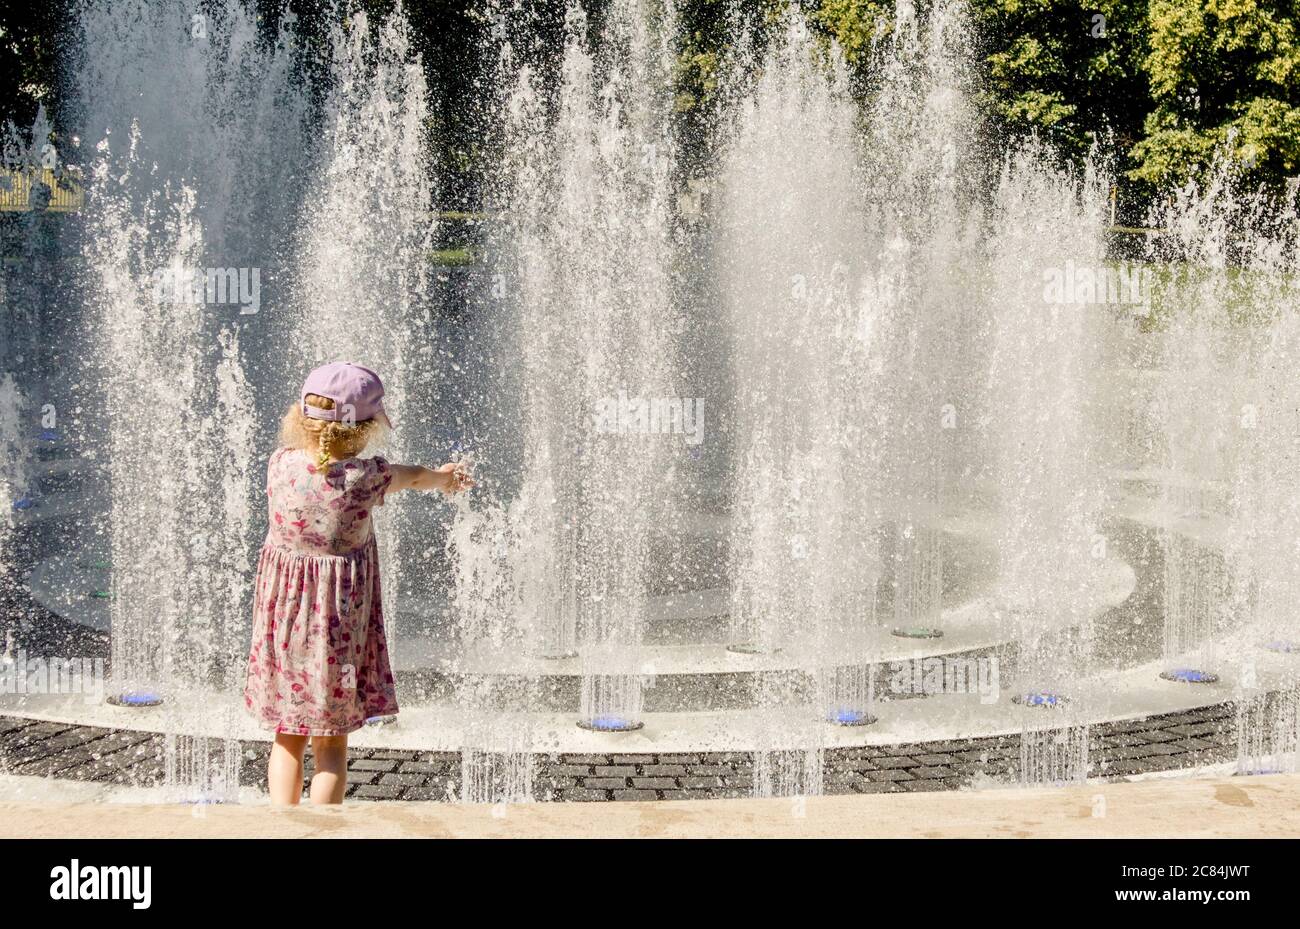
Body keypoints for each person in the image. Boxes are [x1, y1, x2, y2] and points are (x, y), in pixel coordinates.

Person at [242, 361, 472, 804]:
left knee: (287, 735)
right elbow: (418, 475)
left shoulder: (280, 465)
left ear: (301, 418)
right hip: (338, 629)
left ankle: (284, 830)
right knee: (330, 743)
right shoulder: (368, 478)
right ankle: (322, 833)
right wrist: (447, 479)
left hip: (283, 625)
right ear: (366, 428)